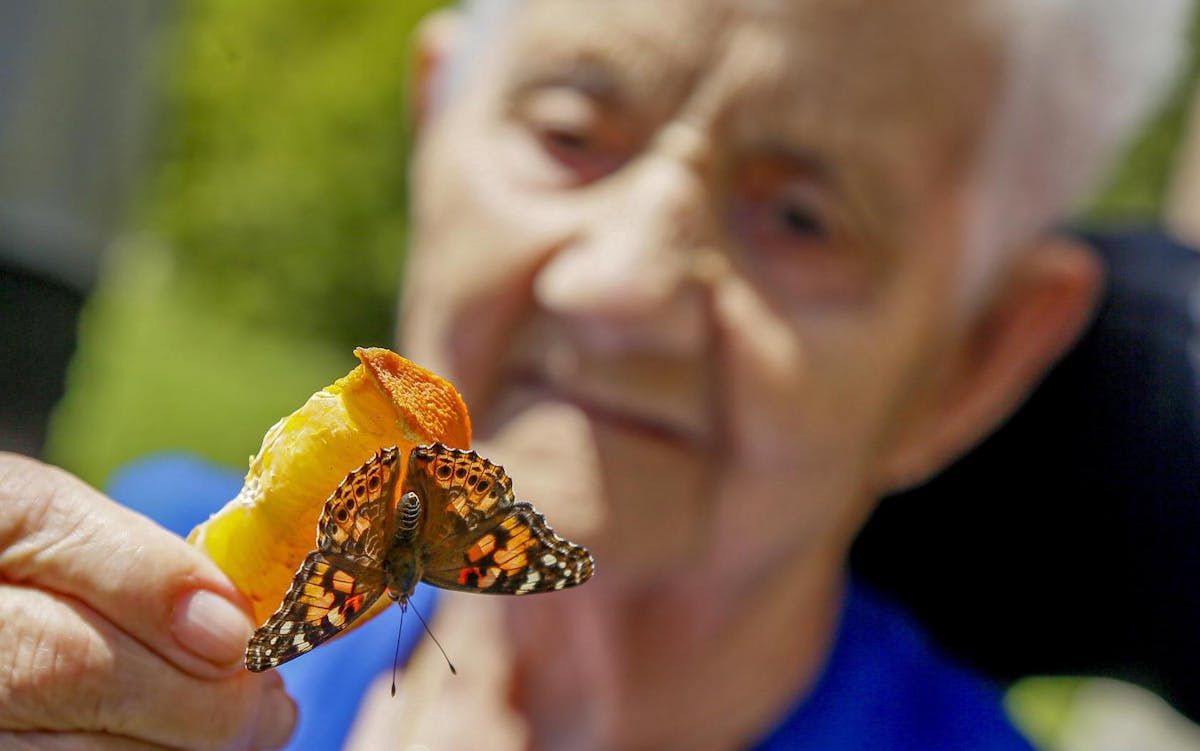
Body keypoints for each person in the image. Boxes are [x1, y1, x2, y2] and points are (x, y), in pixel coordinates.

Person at [0, 0, 1190, 749]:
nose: (618, 284)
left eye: (801, 217)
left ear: (976, 360)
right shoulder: (129, 599)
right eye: (570, 134)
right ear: (436, 132)